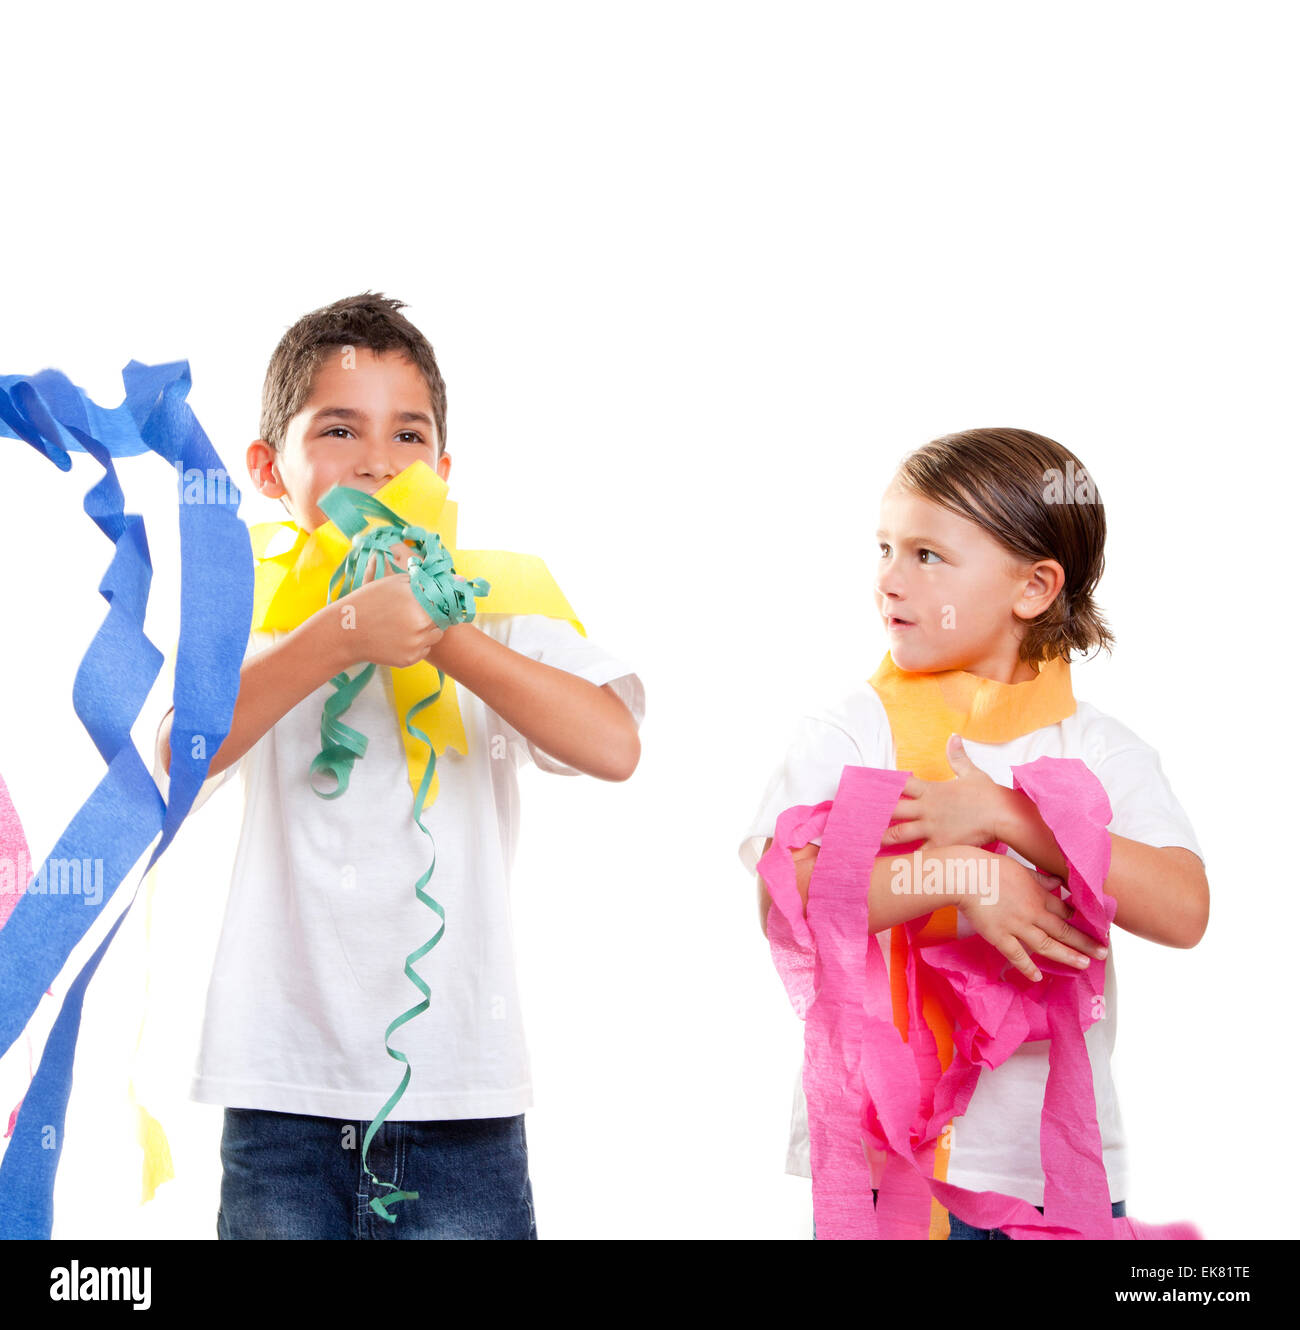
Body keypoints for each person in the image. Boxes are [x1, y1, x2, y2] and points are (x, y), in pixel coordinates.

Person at [154, 292, 644, 1240]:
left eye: (408, 435)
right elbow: (178, 758)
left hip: (464, 1096)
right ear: (269, 468)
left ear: (444, 467)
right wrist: (338, 633)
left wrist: (444, 633)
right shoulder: (251, 615)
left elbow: (613, 744)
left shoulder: (490, 603)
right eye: (339, 429)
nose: (378, 462)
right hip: (279, 1092)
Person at [739, 427, 1207, 1239]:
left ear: (1032, 587)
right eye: (884, 548)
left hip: (1055, 1175)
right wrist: (963, 873)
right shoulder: (856, 731)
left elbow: (1183, 908)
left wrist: (1007, 817)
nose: (889, 579)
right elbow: (792, 899)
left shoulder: (1095, 747)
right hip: (898, 1177)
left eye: (927, 556)